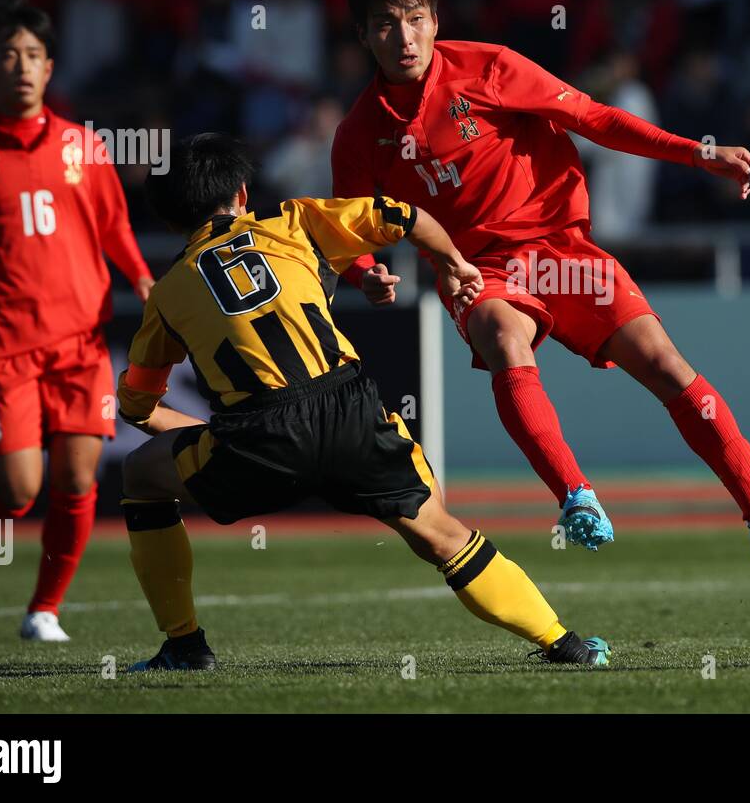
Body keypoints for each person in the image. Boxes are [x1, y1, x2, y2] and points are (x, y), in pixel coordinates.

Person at [331, 0, 750, 568]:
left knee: (666, 366)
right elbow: (346, 229)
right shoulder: (358, 135)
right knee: (501, 336)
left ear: (435, 20)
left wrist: (697, 153)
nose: (404, 37)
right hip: (476, 270)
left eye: (415, 19)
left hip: (562, 252)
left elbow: (594, 118)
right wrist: (363, 273)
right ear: (363, 34)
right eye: (385, 23)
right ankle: (576, 496)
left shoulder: (490, 68)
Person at [116, 133, 609, 671]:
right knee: (442, 535)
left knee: (142, 476)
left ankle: (185, 647)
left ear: (166, 220)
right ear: (241, 193)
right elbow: (403, 216)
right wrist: (452, 264)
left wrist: (214, 435)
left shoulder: (166, 294)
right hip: (347, 408)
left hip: (258, 436)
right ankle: (565, 644)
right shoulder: (292, 221)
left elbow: (137, 406)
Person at [0, 0, 154, 642]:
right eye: (7, 55)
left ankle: (43, 609)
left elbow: (113, 225)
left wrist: (139, 276)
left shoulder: (84, 145)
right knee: (19, 488)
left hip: (80, 340)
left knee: (79, 478)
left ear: (50, 68)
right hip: (2, 344)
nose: (20, 66)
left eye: (32, 56)